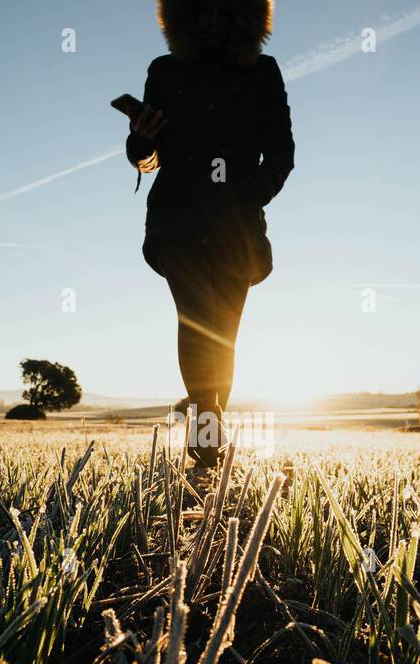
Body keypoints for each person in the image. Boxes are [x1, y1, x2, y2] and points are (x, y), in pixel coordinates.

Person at [126, 0, 295, 466]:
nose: (214, 20)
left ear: (246, 16)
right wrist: (141, 139)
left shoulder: (263, 72)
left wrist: (247, 196)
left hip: (236, 230)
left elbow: (281, 152)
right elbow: (148, 158)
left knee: (224, 330)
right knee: (196, 315)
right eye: (204, 11)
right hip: (177, 221)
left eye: (225, 11)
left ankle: (209, 421)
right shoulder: (165, 70)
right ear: (185, 17)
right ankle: (206, 427)